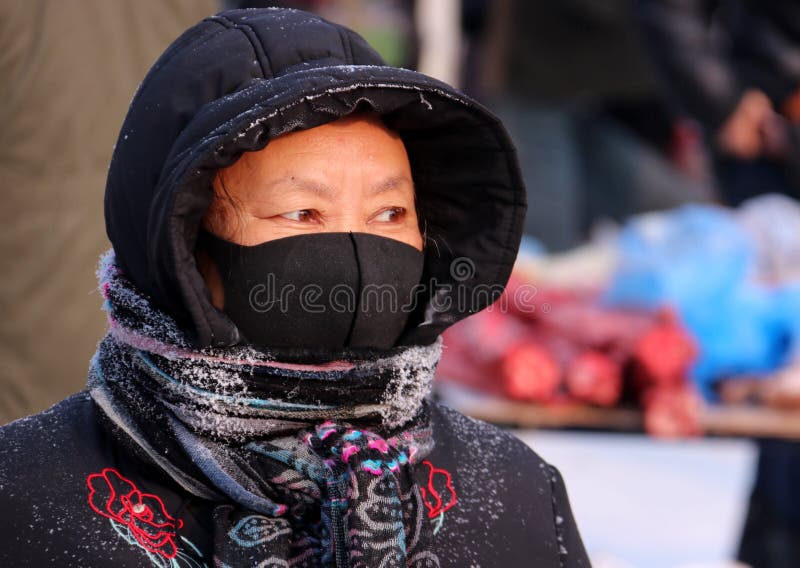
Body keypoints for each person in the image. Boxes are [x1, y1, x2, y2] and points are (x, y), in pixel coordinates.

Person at [0, 8, 589, 567]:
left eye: (390, 214)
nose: (360, 256)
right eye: (303, 213)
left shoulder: (517, 494)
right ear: (184, 244)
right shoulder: (26, 499)